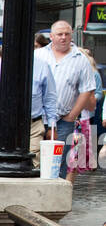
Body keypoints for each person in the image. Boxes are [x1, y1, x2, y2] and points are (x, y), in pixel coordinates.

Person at [0, 47, 58, 170]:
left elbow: (50, 98)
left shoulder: (42, 66)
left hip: (33, 124)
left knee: (33, 165)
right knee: (5, 165)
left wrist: (52, 126)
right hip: (4, 125)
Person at [43, 20, 96, 180]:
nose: (64, 37)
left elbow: (87, 89)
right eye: (60, 34)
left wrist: (72, 116)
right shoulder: (38, 55)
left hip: (63, 119)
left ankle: (54, 200)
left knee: (58, 162)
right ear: (51, 36)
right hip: (39, 118)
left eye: (67, 34)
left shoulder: (80, 59)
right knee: (37, 159)